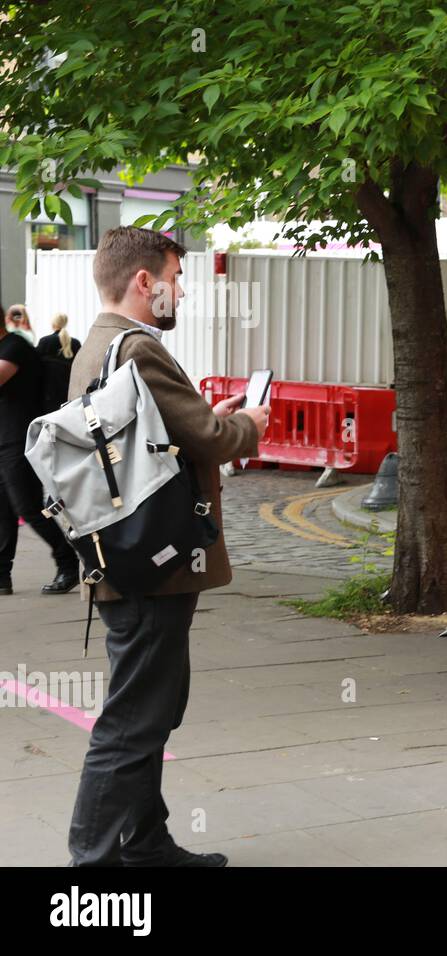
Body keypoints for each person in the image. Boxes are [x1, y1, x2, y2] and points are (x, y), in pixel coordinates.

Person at [66, 226, 269, 867]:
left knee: (148, 712)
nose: (180, 292)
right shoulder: (138, 348)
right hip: (151, 563)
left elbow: (150, 438)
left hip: (125, 555)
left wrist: (207, 415)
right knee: (130, 722)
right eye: (176, 279)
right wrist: (249, 423)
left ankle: (146, 844)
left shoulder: (99, 345)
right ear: (145, 282)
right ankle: (89, 868)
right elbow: (210, 438)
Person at [0, 319, 80, 597]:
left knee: (28, 507)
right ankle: (1, 575)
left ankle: (68, 562)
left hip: (19, 440)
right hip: (4, 440)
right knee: (3, 511)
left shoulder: (14, 347)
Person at [35, 313, 81, 414]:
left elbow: (35, 365)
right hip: (69, 391)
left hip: (48, 392)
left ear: (53, 324)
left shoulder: (45, 342)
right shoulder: (75, 343)